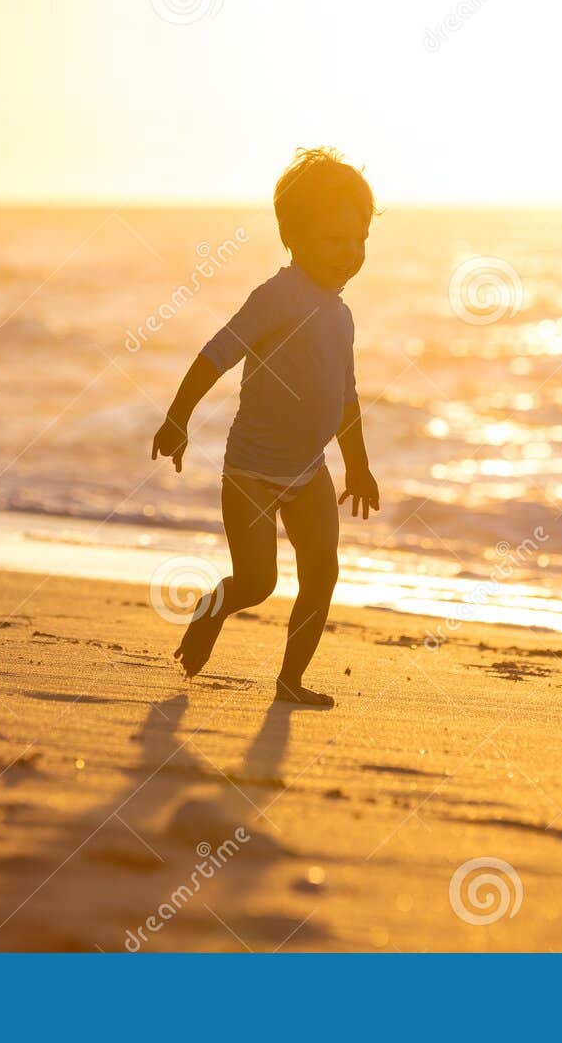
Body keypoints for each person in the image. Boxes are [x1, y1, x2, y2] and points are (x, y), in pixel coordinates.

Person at [150, 147, 380, 708]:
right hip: (251, 470)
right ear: (294, 236)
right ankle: (212, 611)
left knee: (322, 575)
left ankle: (290, 680)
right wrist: (177, 418)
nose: (350, 254)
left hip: (310, 473)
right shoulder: (276, 297)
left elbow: (344, 395)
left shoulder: (341, 313)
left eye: (360, 240)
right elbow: (217, 353)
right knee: (257, 583)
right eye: (335, 240)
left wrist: (359, 465)